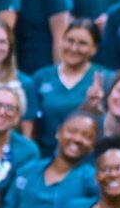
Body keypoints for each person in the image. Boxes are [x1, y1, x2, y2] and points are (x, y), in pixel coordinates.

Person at [0, 110, 99, 208]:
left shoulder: (93, 181)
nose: (77, 139)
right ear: (58, 133)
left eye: (86, 136)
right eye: (72, 131)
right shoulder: (28, 171)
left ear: (92, 146)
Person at [30, 20, 107, 157]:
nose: (74, 48)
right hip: (45, 155)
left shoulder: (105, 79)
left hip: (86, 157)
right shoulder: (41, 77)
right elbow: (30, 123)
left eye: (82, 44)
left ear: (94, 48)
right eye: (69, 41)